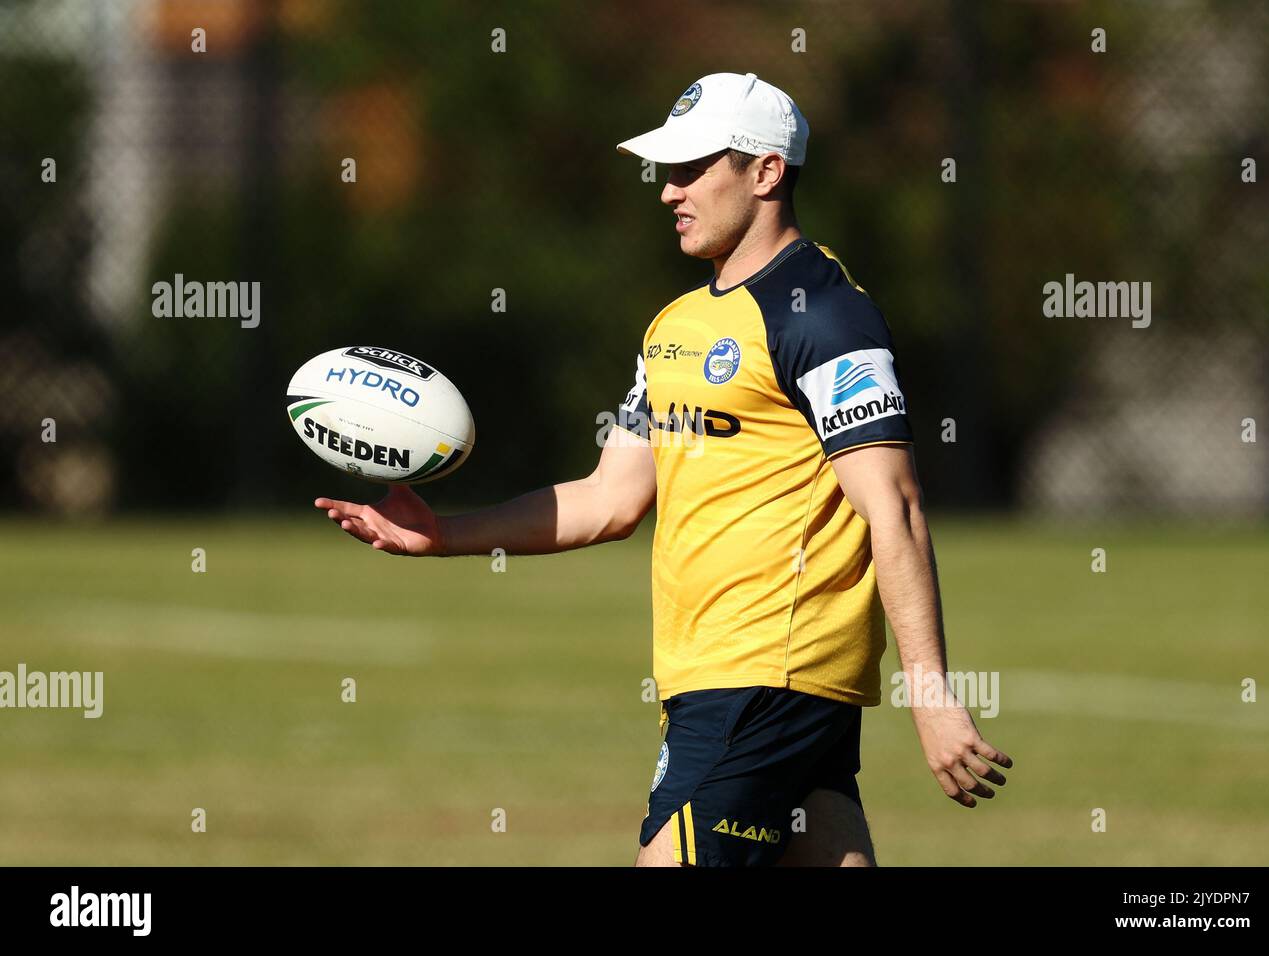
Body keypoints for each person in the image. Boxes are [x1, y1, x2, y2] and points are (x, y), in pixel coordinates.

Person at [315, 72, 1011, 867]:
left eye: (690, 169)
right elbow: (609, 498)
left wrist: (931, 697)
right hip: (718, 682)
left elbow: (896, 508)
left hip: (764, 678)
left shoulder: (825, 315)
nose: (667, 191)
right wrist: (444, 534)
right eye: (665, 170)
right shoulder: (673, 328)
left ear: (766, 171)